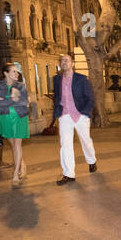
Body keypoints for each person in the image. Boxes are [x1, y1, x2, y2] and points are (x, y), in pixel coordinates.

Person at [51, 53, 96, 186]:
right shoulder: (56, 79)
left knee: (85, 141)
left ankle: (92, 161)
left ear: (73, 64)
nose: (64, 62)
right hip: (64, 115)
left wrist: (85, 112)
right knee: (65, 144)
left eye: (67, 60)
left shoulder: (81, 79)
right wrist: (57, 112)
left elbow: (90, 98)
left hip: (80, 114)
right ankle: (69, 174)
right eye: (62, 60)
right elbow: (56, 96)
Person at [0, 63, 31, 187]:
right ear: (6, 73)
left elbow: (24, 102)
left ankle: (15, 174)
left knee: (17, 144)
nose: (17, 74)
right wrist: (12, 99)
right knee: (13, 144)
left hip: (19, 117)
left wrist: (4, 100)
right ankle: (22, 164)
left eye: (17, 71)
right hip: (5, 117)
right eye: (13, 71)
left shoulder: (21, 86)